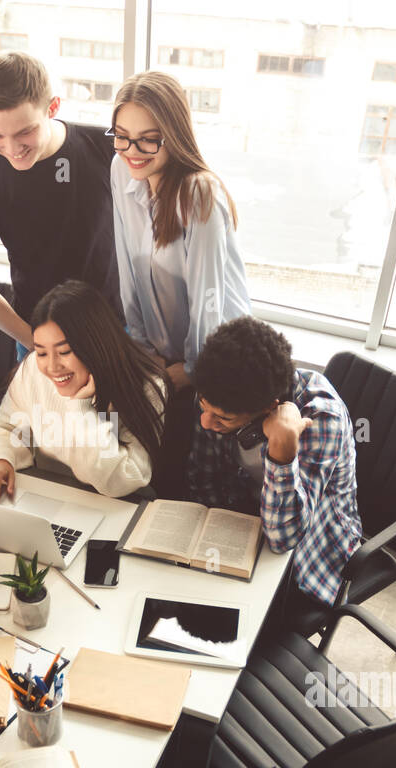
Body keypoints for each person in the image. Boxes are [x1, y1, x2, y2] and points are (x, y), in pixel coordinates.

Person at [108, 71, 252, 495]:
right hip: (160, 351)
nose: (133, 151)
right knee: (154, 468)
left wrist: (189, 370)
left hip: (214, 357)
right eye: (121, 135)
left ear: (174, 135)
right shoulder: (120, 170)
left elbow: (208, 300)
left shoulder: (199, 195)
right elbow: (127, 267)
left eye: (148, 139)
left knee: (195, 477)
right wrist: (139, 345)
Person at [187, 317, 362, 628]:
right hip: (244, 525)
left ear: (269, 408)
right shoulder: (217, 394)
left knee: (233, 633)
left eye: (224, 419)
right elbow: (204, 479)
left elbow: (285, 539)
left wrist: (282, 450)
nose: (206, 423)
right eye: (204, 406)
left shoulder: (322, 418)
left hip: (310, 552)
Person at [0, 52, 122, 352]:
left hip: (115, 327)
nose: (12, 148)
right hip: (38, 337)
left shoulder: (107, 148)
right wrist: (36, 345)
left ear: (53, 107)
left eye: (25, 132)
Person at [0, 280, 168, 500]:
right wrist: (1, 458)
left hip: (116, 506)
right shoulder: (33, 370)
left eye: (64, 351)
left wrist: (81, 409)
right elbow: (6, 428)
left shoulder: (145, 386)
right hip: (50, 496)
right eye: (42, 353)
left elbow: (122, 481)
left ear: (95, 345)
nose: (52, 367)